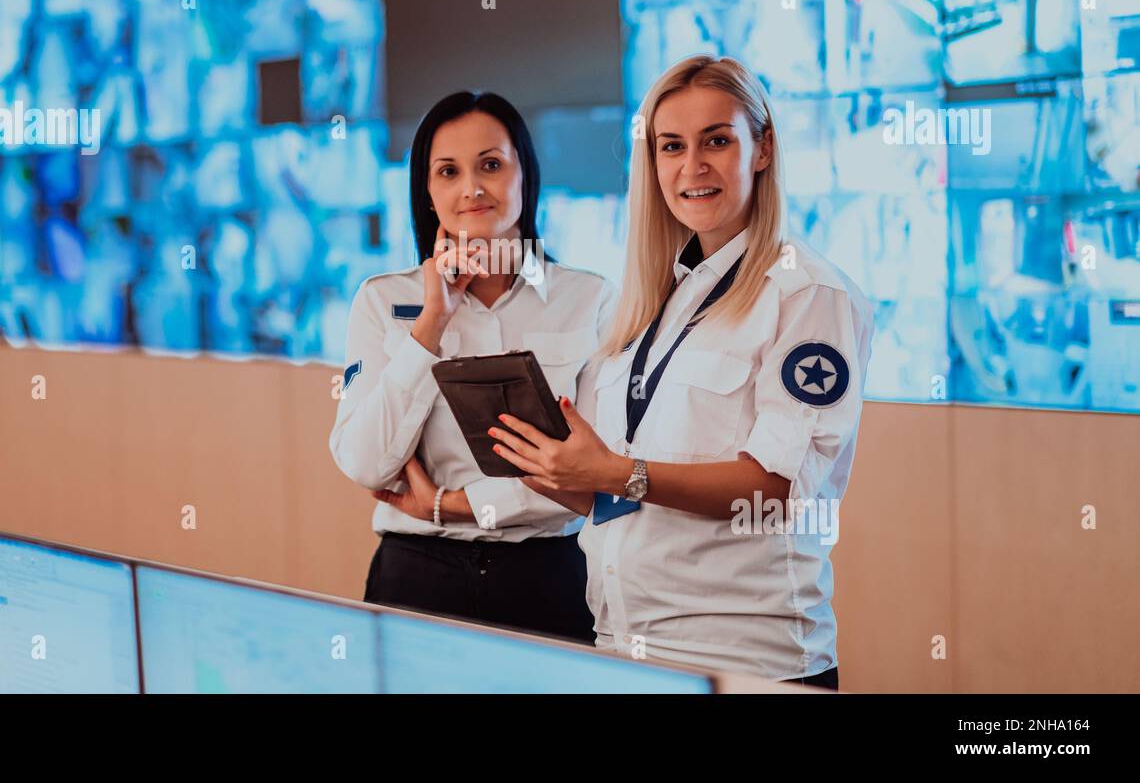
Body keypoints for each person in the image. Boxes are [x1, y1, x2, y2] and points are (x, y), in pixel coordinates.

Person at [485, 55, 873, 689]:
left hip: (744, 662)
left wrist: (613, 472)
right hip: (625, 648)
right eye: (672, 146)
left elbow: (775, 492)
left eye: (716, 141)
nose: (692, 167)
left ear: (763, 148)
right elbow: (619, 498)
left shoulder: (807, 295)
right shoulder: (653, 304)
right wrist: (558, 469)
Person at [329, 90, 614, 643]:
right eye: (448, 171)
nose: (472, 188)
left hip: (551, 575)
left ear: (524, 175)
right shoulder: (380, 301)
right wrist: (431, 322)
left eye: (491, 164)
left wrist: (450, 505)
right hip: (416, 578)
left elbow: (598, 470)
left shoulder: (592, 299)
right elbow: (365, 464)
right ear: (427, 194)